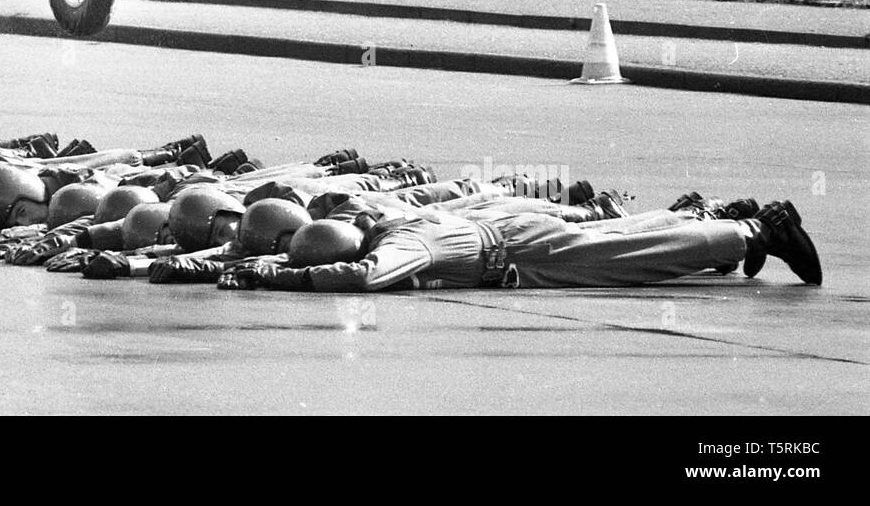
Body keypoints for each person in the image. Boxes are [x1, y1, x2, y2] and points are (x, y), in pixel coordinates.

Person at [217, 196, 822, 292]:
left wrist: (269, 278)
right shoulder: (378, 220)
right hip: (509, 236)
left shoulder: (405, 244)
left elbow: (364, 276)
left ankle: (758, 231)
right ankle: (713, 222)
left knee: (631, 262)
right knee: (616, 240)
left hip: (519, 257)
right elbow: (329, 250)